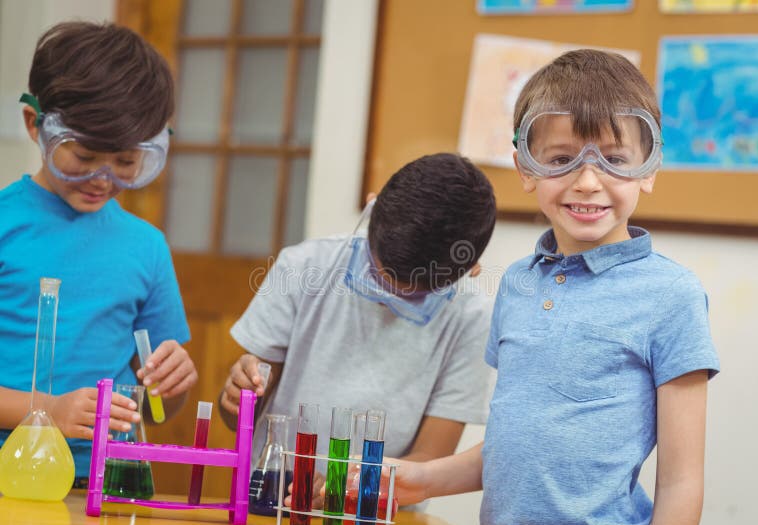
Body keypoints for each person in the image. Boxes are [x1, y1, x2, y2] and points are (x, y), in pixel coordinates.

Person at [387, 49, 720, 525]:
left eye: (615, 159)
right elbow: (519, 449)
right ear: (526, 169)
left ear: (648, 169)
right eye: (562, 160)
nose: (587, 181)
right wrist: (419, 480)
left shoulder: (671, 295)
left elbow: (681, 482)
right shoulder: (518, 285)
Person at [0, 21, 197, 484]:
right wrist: (47, 410)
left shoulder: (145, 246)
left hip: (106, 480)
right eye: (84, 157)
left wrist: (172, 384)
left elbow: (159, 408)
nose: (102, 179)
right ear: (36, 125)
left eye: (126, 162)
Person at [219, 153, 497, 477]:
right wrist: (238, 397)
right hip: (272, 495)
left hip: (383, 516)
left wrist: (340, 488)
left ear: (470, 269)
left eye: (412, 297)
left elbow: (430, 458)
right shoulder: (303, 267)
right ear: (371, 207)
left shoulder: (471, 318)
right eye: (377, 279)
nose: (385, 299)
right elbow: (238, 418)